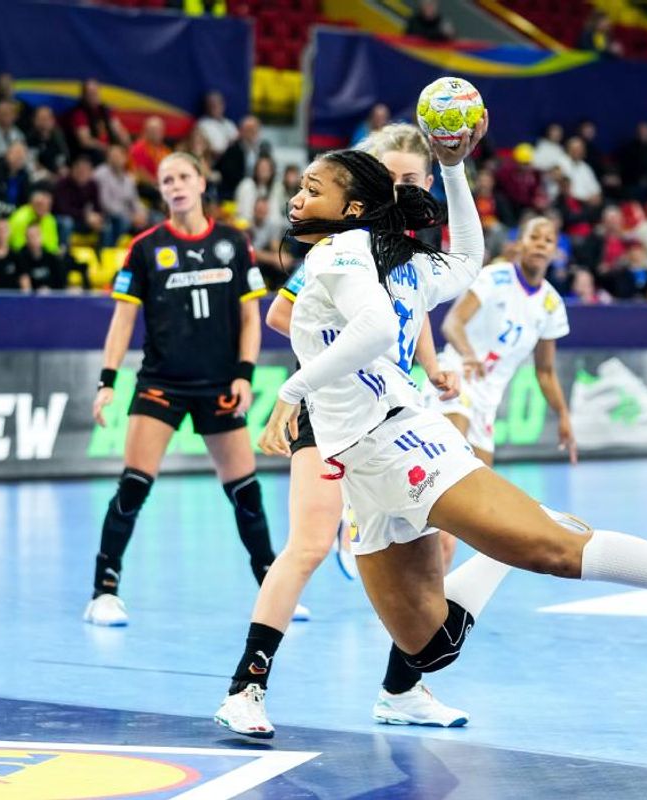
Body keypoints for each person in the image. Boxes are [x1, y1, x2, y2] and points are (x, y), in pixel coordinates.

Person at [242, 138, 647, 738]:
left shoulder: (344, 251)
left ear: (354, 207)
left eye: (313, 187)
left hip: (399, 441)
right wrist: (457, 170)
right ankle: (505, 544)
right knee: (428, 643)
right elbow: (465, 260)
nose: (297, 196)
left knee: (553, 552)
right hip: (363, 463)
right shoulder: (383, 257)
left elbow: (383, 322)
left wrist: (289, 394)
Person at [214, 123, 467, 740]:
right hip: (331, 413)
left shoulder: (410, 257)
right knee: (308, 543)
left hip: (393, 420)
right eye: (393, 176)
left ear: (426, 183)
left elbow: (412, 314)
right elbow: (283, 310)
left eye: (413, 178)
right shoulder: (345, 248)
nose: (403, 186)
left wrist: (429, 365)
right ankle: (246, 688)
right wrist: (327, 362)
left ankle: (402, 688)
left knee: (441, 548)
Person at [85, 152, 275, 627]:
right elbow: (122, 321)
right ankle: (103, 592)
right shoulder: (146, 248)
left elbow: (252, 317)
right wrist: (108, 383)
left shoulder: (234, 242)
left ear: (201, 181)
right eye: (166, 179)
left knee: (246, 493)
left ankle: (273, 585)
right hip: (162, 384)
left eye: (183, 176)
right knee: (133, 485)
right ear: (161, 189)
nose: (175, 185)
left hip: (219, 384)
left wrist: (243, 375)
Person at [433, 215, 577, 474]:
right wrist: (468, 355)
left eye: (548, 240)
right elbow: (452, 323)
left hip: (488, 400)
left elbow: (544, 371)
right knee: (451, 465)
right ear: (520, 242)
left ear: (555, 251)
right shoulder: (493, 277)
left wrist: (563, 415)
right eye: (534, 237)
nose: (541, 245)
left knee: (479, 486)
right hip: (456, 377)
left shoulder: (552, 304)